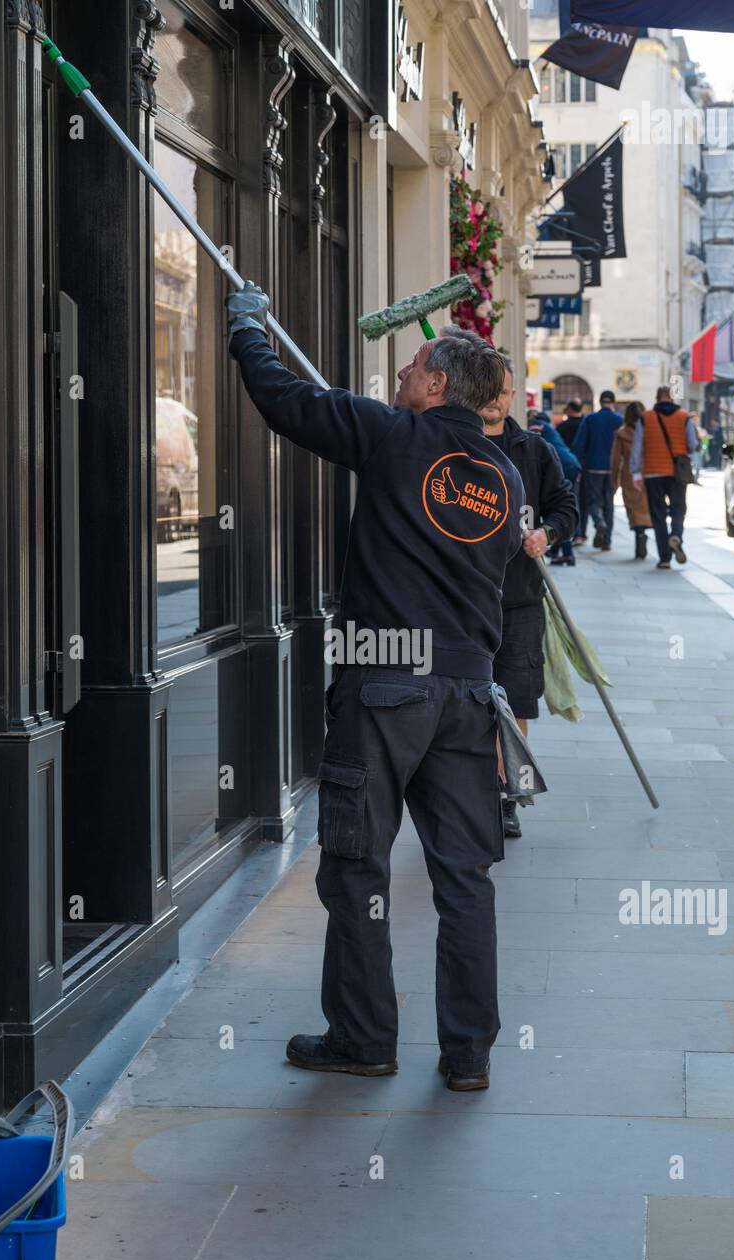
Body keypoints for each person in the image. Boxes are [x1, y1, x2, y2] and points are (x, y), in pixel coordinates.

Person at [226, 283, 525, 1093]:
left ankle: (364, 1038)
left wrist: (248, 328)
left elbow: (288, 402)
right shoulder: (503, 476)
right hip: (466, 695)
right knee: (465, 878)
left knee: (358, 868)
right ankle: (468, 1055)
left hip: (385, 682)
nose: (399, 371)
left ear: (435, 387)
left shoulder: (397, 438)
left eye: (414, 365)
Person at [477, 351, 578, 838]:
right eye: (488, 392)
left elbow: (565, 506)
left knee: (515, 703)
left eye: (502, 392)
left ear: (512, 396)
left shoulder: (534, 451)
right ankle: (466, 793)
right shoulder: (455, 443)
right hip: (459, 603)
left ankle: (508, 795)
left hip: (518, 601)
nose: (495, 401)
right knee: (461, 703)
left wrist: (548, 533)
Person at [630, 385, 699, 569]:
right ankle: (676, 534)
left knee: (658, 515)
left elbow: (637, 448)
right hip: (677, 473)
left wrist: (636, 473)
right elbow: (692, 445)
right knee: (678, 509)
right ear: (672, 398)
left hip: (653, 473)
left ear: (656, 397)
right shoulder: (684, 417)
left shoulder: (646, 418)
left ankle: (664, 559)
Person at [526, 408, 581, 567]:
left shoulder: (537, 426)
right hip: (571, 463)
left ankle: (568, 554)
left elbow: (531, 444)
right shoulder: (547, 426)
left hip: (565, 466)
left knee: (561, 508)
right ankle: (557, 552)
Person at [572, 389, 623, 551]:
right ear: (613, 402)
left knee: (593, 500)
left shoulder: (590, 419)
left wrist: (581, 464)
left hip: (593, 466)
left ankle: (598, 521)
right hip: (613, 468)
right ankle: (607, 541)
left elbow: (578, 444)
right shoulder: (619, 420)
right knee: (609, 503)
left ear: (600, 402)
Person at [611, 401, 652, 559]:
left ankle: (639, 534)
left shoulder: (622, 433)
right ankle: (642, 533)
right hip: (647, 472)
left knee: (632, 508)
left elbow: (615, 459)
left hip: (629, 474)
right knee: (645, 506)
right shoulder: (649, 430)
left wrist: (613, 480)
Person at [556, 398, 588, 547]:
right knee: (584, 501)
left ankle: (574, 533)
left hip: (566, 467)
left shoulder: (562, 427)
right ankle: (582, 534)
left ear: (569, 409)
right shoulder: (586, 424)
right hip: (584, 466)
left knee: (569, 499)